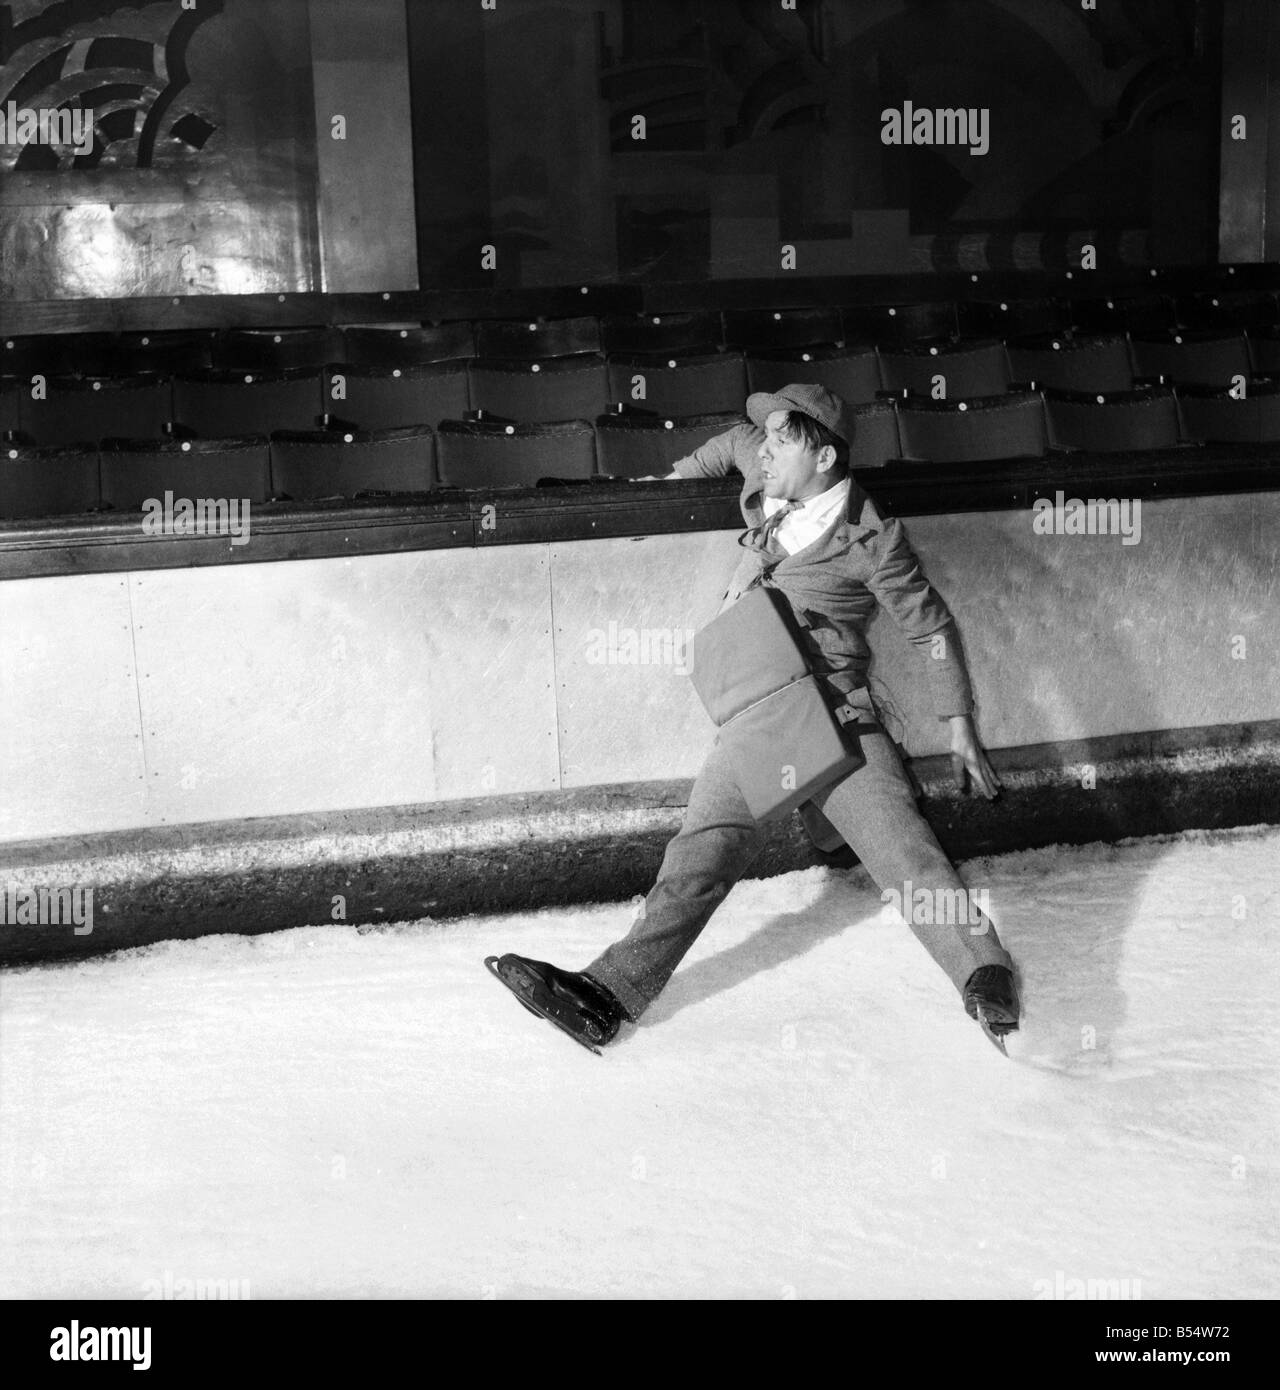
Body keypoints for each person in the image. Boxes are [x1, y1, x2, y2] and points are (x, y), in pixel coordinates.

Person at [487, 383, 1020, 1053]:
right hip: (760, 717)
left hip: (838, 714)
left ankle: (984, 973)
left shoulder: (872, 539)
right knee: (700, 851)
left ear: (823, 457)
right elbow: (726, 446)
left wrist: (958, 721)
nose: (763, 450)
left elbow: (931, 626)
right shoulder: (766, 466)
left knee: (903, 850)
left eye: (780, 441)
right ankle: (607, 995)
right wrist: (671, 482)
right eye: (763, 439)